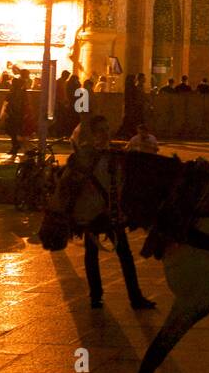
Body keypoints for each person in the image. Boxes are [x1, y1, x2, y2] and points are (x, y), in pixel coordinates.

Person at [57, 115, 156, 311]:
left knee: (125, 254)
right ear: (93, 133)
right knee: (92, 253)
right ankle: (96, 295)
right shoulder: (87, 157)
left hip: (113, 213)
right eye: (101, 129)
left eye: (107, 128)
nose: (106, 133)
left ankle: (135, 297)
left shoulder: (115, 154)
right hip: (94, 213)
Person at [3, 72, 34, 158]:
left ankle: (17, 147)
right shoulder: (21, 93)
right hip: (18, 115)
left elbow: (8, 103)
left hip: (14, 115)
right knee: (16, 133)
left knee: (14, 132)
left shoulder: (15, 93)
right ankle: (18, 147)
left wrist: (5, 113)